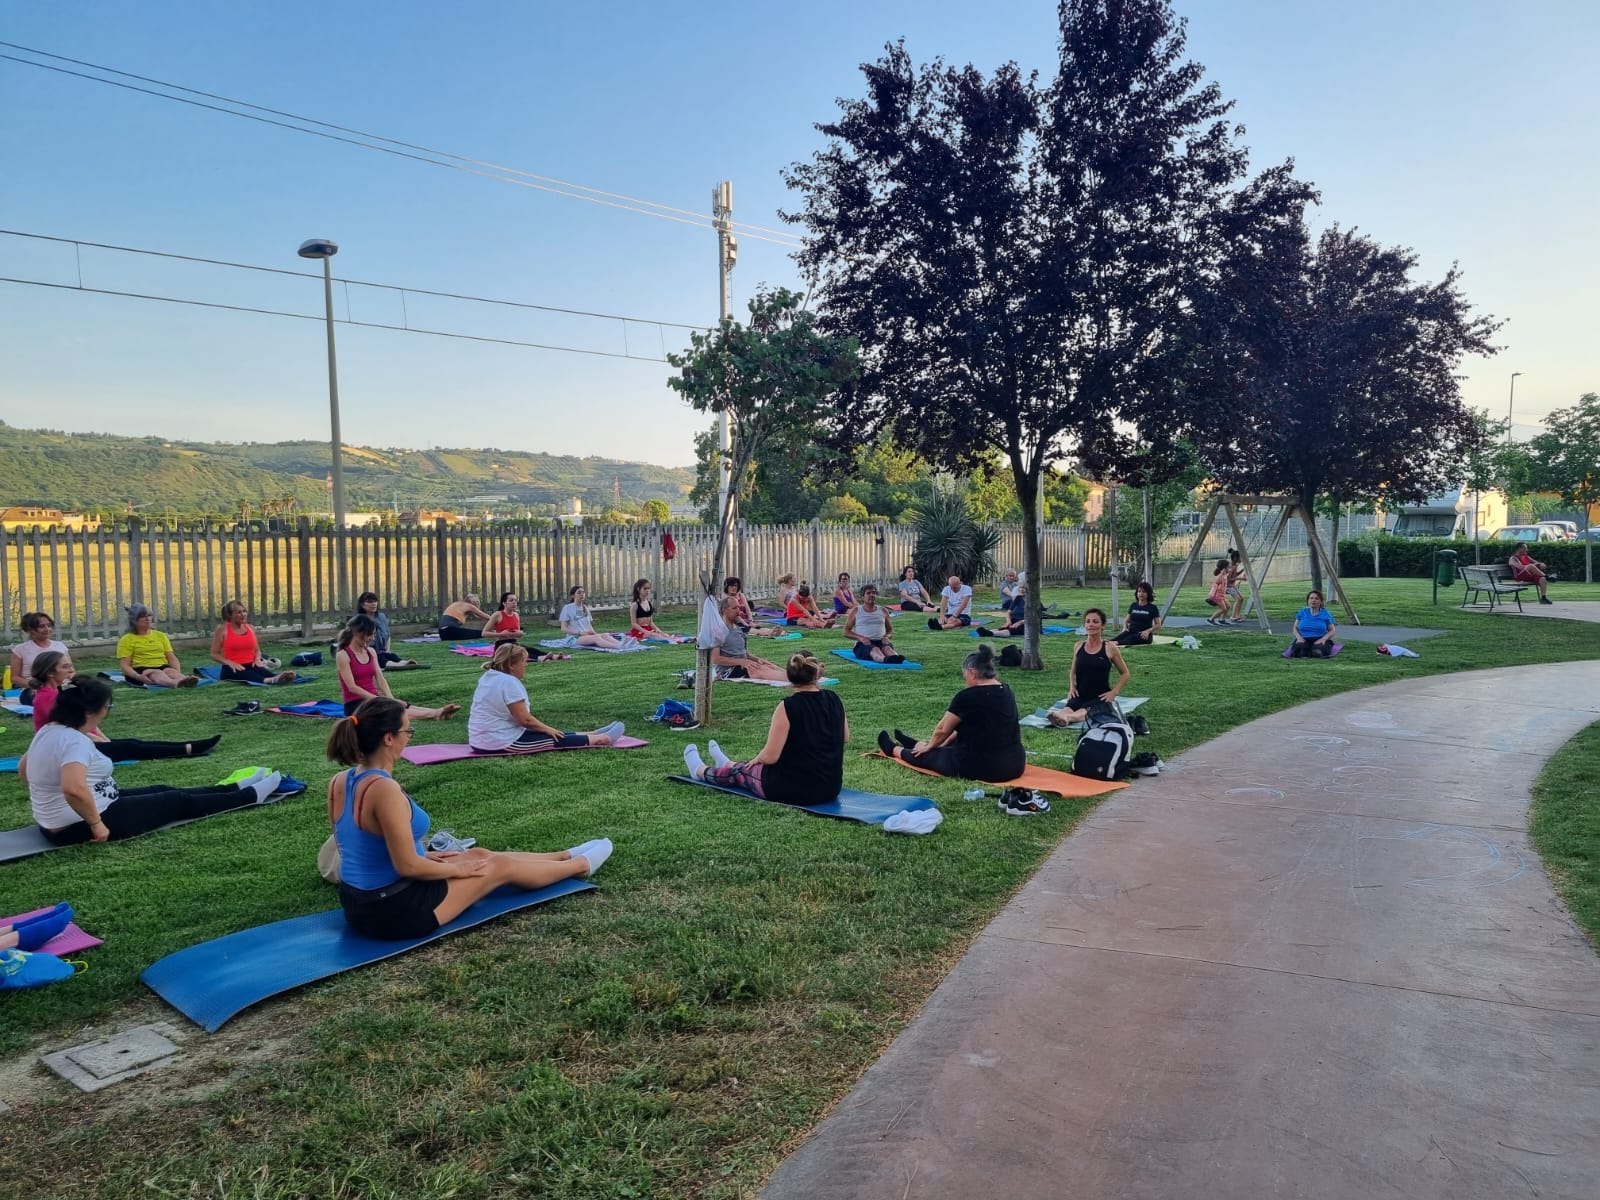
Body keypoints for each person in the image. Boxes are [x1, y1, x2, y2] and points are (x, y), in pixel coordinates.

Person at [327, 696, 610, 940]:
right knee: (496, 867)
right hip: (393, 912)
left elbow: (355, 846)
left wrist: (426, 855)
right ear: (389, 738)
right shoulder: (384, 789)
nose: (409, 736)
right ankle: (580, 866)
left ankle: (563, 855)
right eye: (407, 730)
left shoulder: (340, 781)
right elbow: (408, 866)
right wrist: (458, 870)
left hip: (358, 904)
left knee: (478, 854)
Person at [19, 678, 280, 845]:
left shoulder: (50, 729)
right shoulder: (74, 741)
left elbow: (24, 770)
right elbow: (73, 788)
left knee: (162, 790)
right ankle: (248, 797)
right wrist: (96, 824)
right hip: (75, 827)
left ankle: (233, 788)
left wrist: (50, 795)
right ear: (91, 710)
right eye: (108, 706)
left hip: (66, 819)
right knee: (175, 801)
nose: (108, 711)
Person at [682, 652, 847, 805]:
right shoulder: (834, 699)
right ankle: (728, 763)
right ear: (816, 675)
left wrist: (757, 759)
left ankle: (700, 771)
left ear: (789, 677)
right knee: (752, 769)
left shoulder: (788, 706)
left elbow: (770, 756)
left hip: (793, 788)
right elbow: (845, 737)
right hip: (830, 787)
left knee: (743, 773)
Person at [29, 651, 220, 760]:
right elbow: (69, 729)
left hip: (81, 741)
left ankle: (190, 747)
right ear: (50, 673)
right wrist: (103, 743)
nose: (71, 669)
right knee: (131, 747)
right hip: (67, 749)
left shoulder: (57, 691)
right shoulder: (46, 697)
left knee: (133, 743)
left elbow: (85, 722)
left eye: (70, 665)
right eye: (65, 667)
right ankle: (189, 749)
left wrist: (104, 739)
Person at [876, 644, 1025, 782]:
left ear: (972, 672)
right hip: (1015, 765)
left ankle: (893, 749)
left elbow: (942, 729)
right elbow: (970, 727)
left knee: (933, 756)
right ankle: (916, 744)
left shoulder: (967, 696)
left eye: (965, 676)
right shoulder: (1007, 691)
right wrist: (939, 745)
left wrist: (930, 747)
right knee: (945, 747)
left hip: (984, 768)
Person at [467, 642, 624, 753]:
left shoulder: (490, 676)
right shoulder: (508, 682)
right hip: (499, 741)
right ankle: (602, 739)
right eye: (523, 662)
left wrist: (548, 730)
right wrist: (548, 729)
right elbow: (525, 720)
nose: (526, 665)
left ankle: (593, 732)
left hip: (486, 738)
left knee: (551, 733)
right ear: (511, 665)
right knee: (553, 737)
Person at [336, 616, 460, 721]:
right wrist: (377, 699)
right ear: (358, 633)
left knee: (401, 704)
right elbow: (352, 687)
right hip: (355, 705)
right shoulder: (343, 655)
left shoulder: (371, 652)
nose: (372, 638)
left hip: (374, 700)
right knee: (394, 712)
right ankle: (436, 713)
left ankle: (437, 711)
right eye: (370, 635)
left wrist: (390, 698)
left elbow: (380, 678)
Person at [1047, 609, 1131, 725]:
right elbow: (1073, 671)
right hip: (1080, 693)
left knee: (1084, 711)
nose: (1091, 625)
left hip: (1100, 696)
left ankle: (1067, 718)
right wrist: (1072, 687)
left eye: (1095, 622)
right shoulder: (1078, 646)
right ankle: (1061, 716)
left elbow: (1125, 673)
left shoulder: (1110, 648)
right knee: (1067, 708)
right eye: (1088, 621)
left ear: (1102, 625)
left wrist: (1114, 692)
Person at [210, 601, 300, 684]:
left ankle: (277, 678)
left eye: (244, 611)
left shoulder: (250, 628)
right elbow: (214, 654)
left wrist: (257, 659)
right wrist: (230, 663)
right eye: (239, 612)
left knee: (267, 674)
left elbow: (257, 650)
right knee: (252, 676)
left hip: (251, 665)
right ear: (230, 615)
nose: (243, 614)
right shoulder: (223, 630)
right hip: (232, 668)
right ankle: (272, 680)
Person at [117, 604, 199, 688]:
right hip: (141, 669)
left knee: (171, 671)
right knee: (157, 673)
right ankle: (174, 683)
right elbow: (125, 665)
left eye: (149, 615)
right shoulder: (126, 639)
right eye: (143, 617)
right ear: (134, 621)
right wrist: (138, 677)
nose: (148, 619)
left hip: (162, 666)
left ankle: (185, 680)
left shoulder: (160, 635)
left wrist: (177, 671)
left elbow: (171, 657)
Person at [711, 596, 789, 681]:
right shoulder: (718, 630)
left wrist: (757, 660)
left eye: (738, 607)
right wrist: (742, 662)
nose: (738, 610)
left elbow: (745, 654)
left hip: (743, 664)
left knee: (767, 665)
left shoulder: (739, 629)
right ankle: (793, 679)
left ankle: (794, 676)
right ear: (724, 610)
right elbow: (715, 659)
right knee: (760, 670)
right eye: (734, 608)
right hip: (728, 670)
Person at [9, 612, 68, 701]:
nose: (47, 629)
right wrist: (35, 685)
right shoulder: (20, 650)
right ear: (31, 629)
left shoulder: (60, 646)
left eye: (49, 625)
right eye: (41, 626)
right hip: (34, 689)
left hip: (60, 686)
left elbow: (71, 670)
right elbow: (14, 678)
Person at [353, 592, 418, 669]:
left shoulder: (382, 617)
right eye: (369, 602)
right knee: (380, 658)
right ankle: (397, 665)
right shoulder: (358, 620)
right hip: (367, 651)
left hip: (381, 650)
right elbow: (356, 640)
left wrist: (388, 650)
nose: (373, 604)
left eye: (375, 601)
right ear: (362, 604)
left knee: (391, 656)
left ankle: (403, 662)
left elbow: (387, 635)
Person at [843, 585, 905, 662]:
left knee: (887, 649)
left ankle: (895, 658)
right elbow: (846, 632)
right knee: (875, 649)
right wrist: (861, 638)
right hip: (863, 644)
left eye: (874, 593)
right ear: (862, 597)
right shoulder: (856, 611)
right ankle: (884, 659)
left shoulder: (883, 610)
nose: (872, 595)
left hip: (881, 641)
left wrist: (887, 637)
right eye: (868, 593)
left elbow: (890, 630)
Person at [559, 585, 628, 650]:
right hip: (573, 638)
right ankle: (617, 646)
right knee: (596, 637)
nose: (582, 594)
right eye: (579, 593)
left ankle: (622, 644)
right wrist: (580, 632)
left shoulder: (585, 608)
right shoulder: (567, 608)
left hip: (585, 636)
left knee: (605, 635)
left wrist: (594, 633)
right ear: (573, 596)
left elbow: (589, 626)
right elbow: (563, 628)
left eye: (583, 592)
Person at [1114, 582, 1164, 647]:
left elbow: (1158, 624)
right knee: (1119, 637)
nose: (1141, 593)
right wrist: (1125, 628)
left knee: (1130, 639)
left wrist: (1148, 631)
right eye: (1139, 591)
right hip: (1131, 632)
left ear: (1148, 593)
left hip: (1143, 635)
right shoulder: (1133, 605)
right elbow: (1127, 620)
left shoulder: (1152, 607)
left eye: (1144, 592)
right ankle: (1109, 643)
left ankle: (1114, 643)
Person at [1290, 590, 1337, 657]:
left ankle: (1314, 650)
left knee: (1317, 652)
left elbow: (1332, 630)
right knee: (1300, 653)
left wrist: (1323, 639)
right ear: (1308, 600)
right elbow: (1295, 627)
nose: (1313, 600)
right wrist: (1299, 638)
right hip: (1304, 639)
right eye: (1311, 598)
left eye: (1316, 598)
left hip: (1320, 638)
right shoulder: (1302, 612)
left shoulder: (1325, 613)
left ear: (1321, 601)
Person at [1205, 559, 1231, 625]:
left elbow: (1229, 572)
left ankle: (1222, 619)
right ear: (1224, 568)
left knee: (1228, 606)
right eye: (1228, 567)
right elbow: (1216, 583)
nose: (1229, 568)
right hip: (1217, 596)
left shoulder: (1225, 574)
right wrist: (1221, 574)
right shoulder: (1220, 576)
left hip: (1222, 595)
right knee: (1223, 609)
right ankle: (1210, 619)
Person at [1225, 548, 1248, 622]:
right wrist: (1241, 578)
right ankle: (1233, 616)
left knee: (1241, 598)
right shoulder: (1231, 567)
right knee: (1238, 599)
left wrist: (1242, 570)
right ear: (1235, 558)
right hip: (1228, 587)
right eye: (1240, 557)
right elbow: (1228, 579)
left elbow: (1234, 574)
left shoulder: (1235, 566)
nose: (1241, 559)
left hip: (1232, 586)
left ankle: (1237, 616)